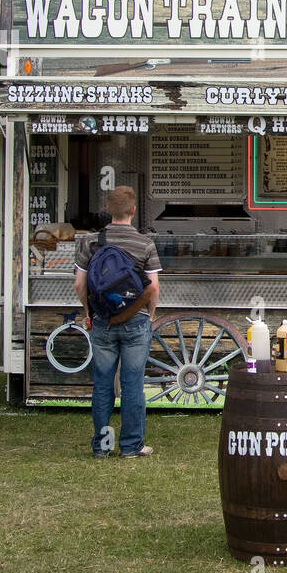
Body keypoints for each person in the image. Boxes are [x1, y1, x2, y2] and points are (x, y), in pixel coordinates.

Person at [74, 186, 161, 459]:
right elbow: (154, 287)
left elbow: (79, 283)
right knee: (132, 383)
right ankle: (131, 446)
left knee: (102, 383)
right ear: (133, 211)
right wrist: (150, 313)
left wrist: (89, 311)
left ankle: (102, 446)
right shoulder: (145, 243)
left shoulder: (90, 242)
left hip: (102, 321)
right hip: (136, 320)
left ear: (108, 211)